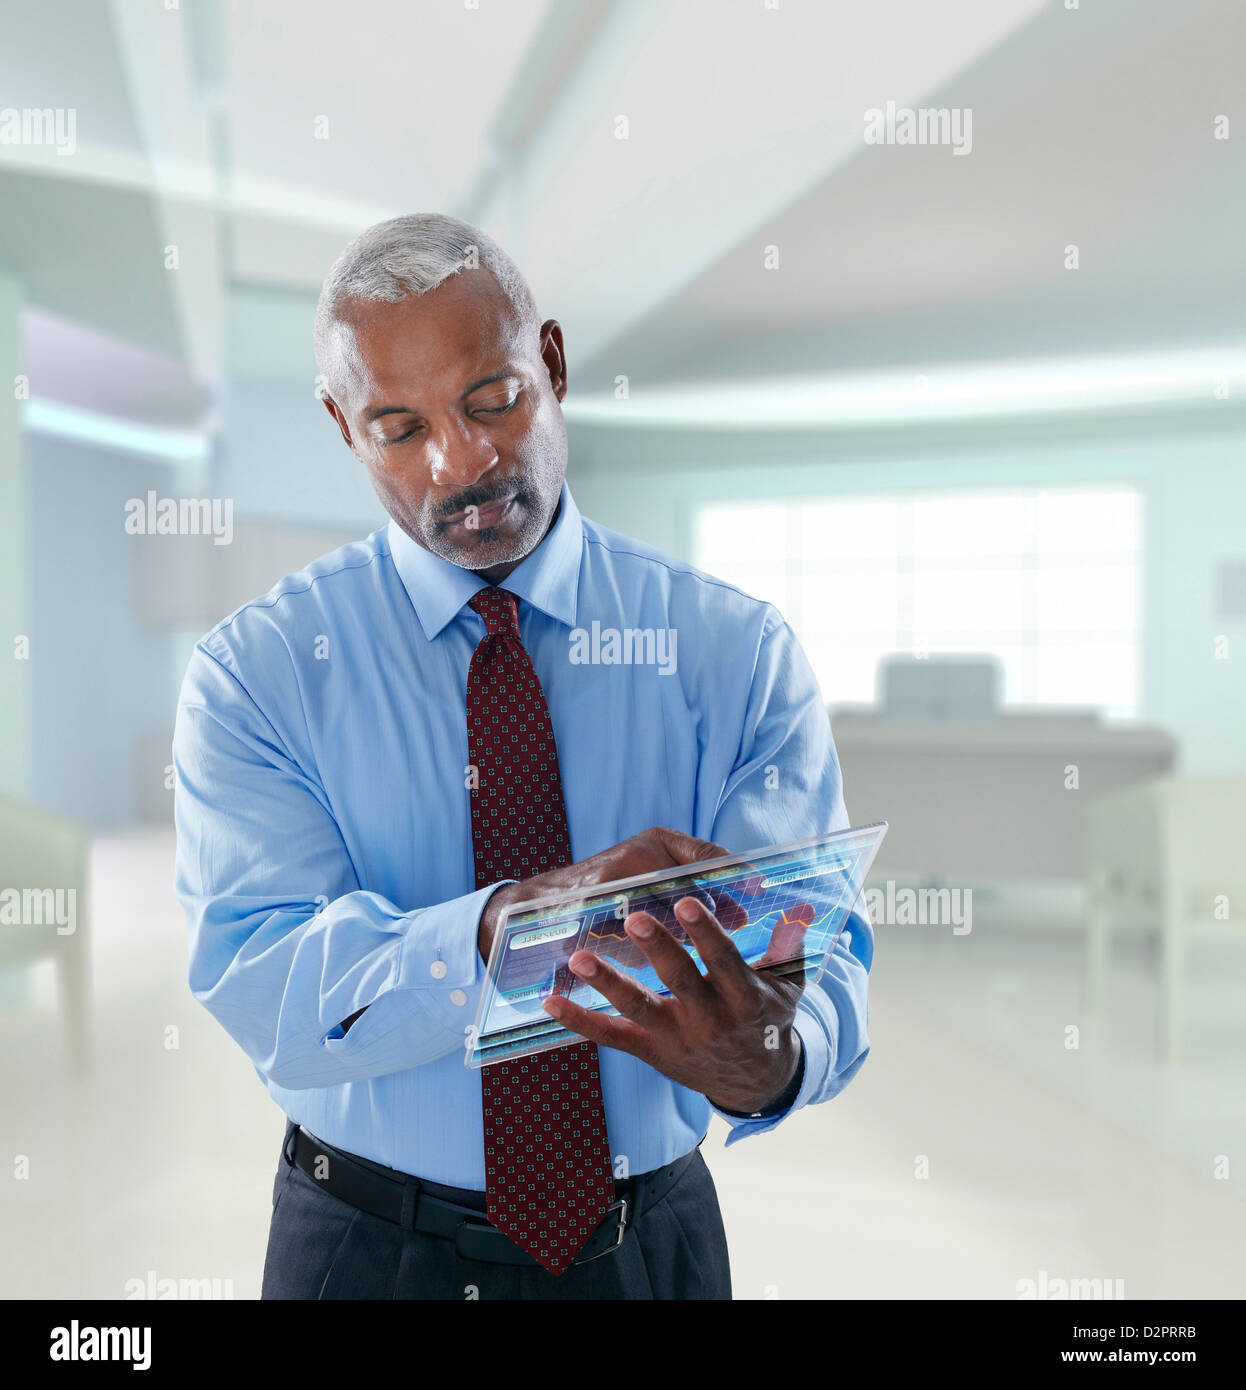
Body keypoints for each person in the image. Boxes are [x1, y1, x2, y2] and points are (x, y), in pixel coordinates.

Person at [172, 212, 873, 1301]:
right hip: (364, 1247)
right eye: (398, 426)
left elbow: (815, 960)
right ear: (341, 427)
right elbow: (262, 978)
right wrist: (504, 927)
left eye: (490, 398)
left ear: (548, 362)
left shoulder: (733, 652)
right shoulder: (257, 674)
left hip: (651, 1246)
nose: (462, 461)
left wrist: (777, 1060)